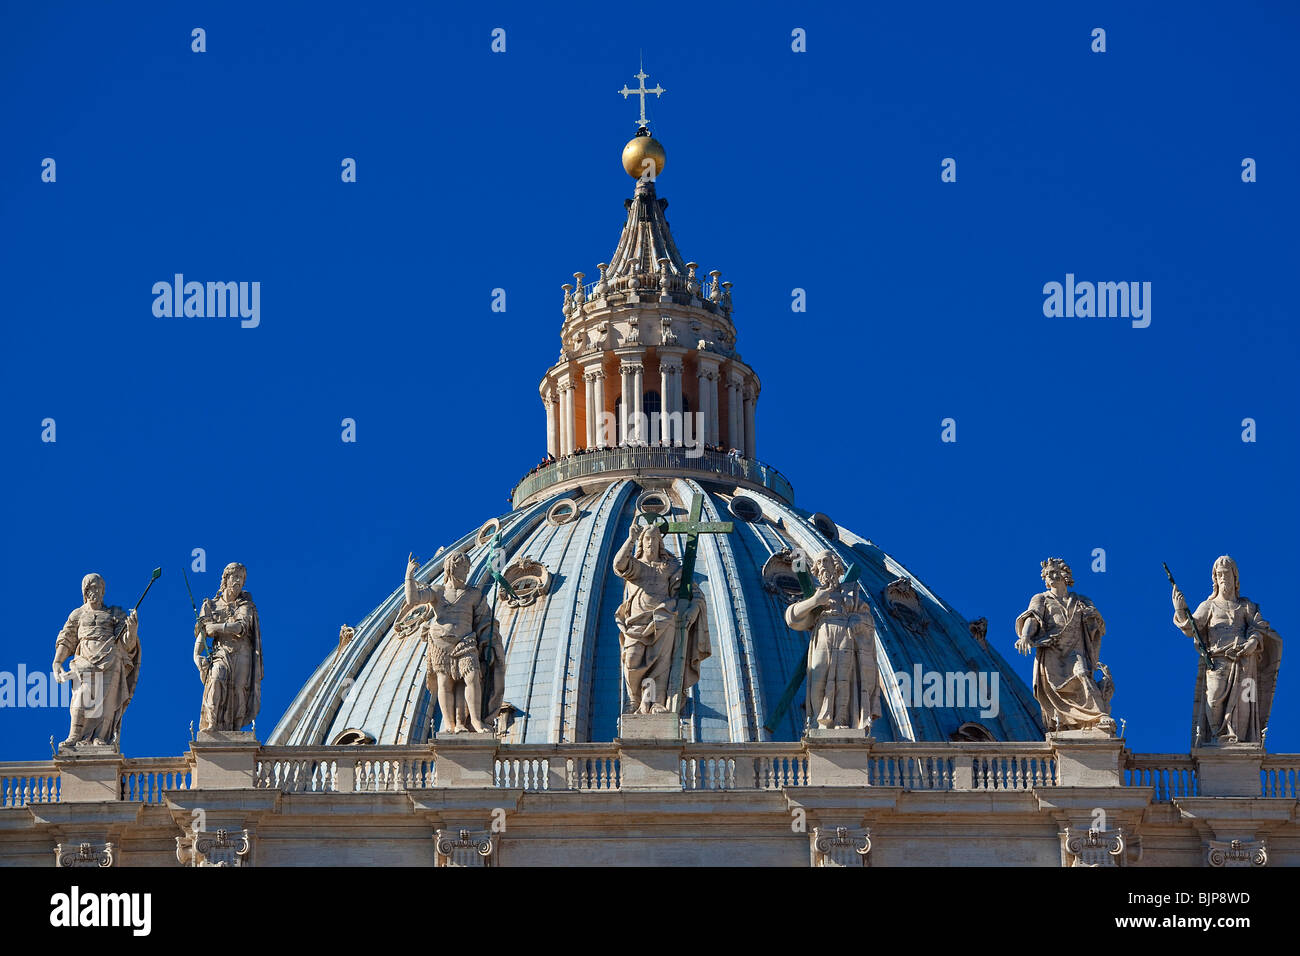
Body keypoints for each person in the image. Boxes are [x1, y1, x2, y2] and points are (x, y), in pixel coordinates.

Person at [1172, 555, 1282, 746]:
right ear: (1215, 579)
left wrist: (1253, 642)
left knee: (1245, 704)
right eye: (1219, 574)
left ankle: (1240, 742)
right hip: (1218, 661)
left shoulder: (1247, 606)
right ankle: (1216, 740)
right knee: (1213, 699)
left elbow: (1259, 627)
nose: (1223, 578)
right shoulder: (1208, 606)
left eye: (1227, 574)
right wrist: (1180, 610)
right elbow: (1193, 627)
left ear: (1235, 576)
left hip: (1245, 662)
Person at [612, 521, 710, 714]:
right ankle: (635, 699)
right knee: (631, 659)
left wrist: (692, 610)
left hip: (664, 619)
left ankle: (655, 700)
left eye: (654, 539)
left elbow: (692, 592)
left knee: (662, 664)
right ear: (641, 542)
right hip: (636, 622)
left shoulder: (669, 567)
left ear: (660, 543)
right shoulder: (636, 567)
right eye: (646, 539)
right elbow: (619, 564)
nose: (650, 543)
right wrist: (631, 539)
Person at [402, 551, 504, 734]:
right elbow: (413, 599)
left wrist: (490, 640)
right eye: (462, 567)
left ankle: (476, 721)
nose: (465, 571)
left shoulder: (474, 594)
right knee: (445, 682)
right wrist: (409, 576)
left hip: (465, 641)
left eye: (467, 568)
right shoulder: (437, 591)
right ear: (451, 567)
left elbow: (484, 621)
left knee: (472, 677)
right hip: (440, 642)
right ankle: (450, 725)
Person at [1015, 558, 1115, 733]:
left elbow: (1100, 625)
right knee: (1054, 687)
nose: (1051, 577)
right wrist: (1025, 635)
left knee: (1083, 674)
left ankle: (1098, 715)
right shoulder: (1041, 598)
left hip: (1075, 649)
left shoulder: (1081, 600)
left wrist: (1091, 615)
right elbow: (1033, 618)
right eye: (1047, 575)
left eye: (1054, 573)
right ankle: (1065, 721)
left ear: (1065, 575)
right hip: (1052, 648)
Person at [785, 550, 879, 731]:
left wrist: (857, 620)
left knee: (844, 679)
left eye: (825, 561)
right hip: (823, 634)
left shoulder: (852, 594)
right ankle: (819, 722)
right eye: (818, 563)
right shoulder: (816, 595)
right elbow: (792, 618)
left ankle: (841, 721)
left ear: (836, 567)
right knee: (818, 678)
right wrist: (814, 601)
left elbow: (867, 619)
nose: (821, 566)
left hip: (846, 634)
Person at [53, 573, 141, 748]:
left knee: (108, 701)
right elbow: (67, 639)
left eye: (100, 588)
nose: (97, 591)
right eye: (93, 587)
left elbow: (126, 644)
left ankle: (101, 737)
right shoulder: (77, 614)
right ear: (86, 591)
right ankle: (75, 736)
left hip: (111, 659)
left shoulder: (114, 613)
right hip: (84, 659)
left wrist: (132, 630)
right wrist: (57, 662)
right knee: (80, 697)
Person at [193, 562, 263, 732]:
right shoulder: (210, 605)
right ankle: (212, 723)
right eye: (236, 577)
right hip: (221, 652)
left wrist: (215, 627)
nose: (239, 581)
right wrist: (196, 656)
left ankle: (236, 729)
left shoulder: (245, 605)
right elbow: (202, 634)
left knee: (240, 690)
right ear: (226, 578)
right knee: (216, 679)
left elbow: (240, 627)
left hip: (243, 652)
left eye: (242, 578)